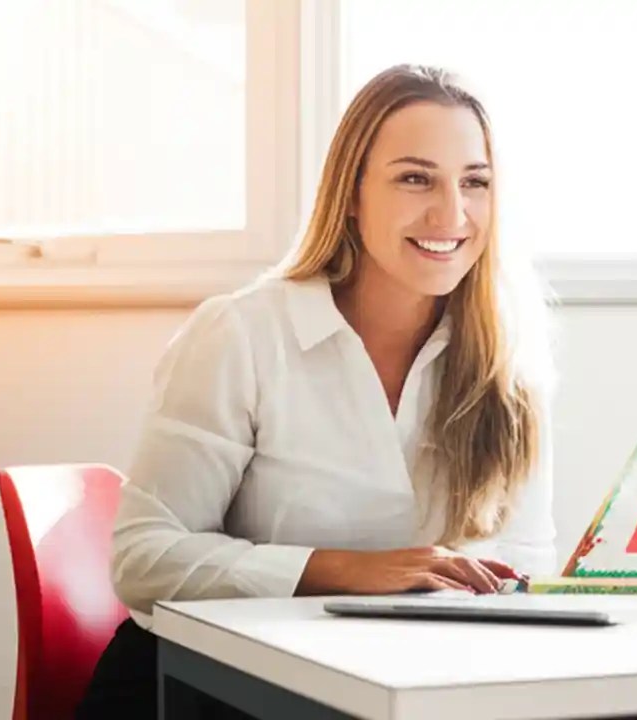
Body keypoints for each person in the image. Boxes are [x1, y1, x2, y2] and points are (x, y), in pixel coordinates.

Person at [78, 64, 557, 719]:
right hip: (203, 689)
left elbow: (524, 561)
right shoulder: (241, 334)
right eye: (415, 178)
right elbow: (145, 557)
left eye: (475, 183)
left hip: (387, 690)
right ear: (352, 193)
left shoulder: (507, 363)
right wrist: (340, 569)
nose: (452, 212)